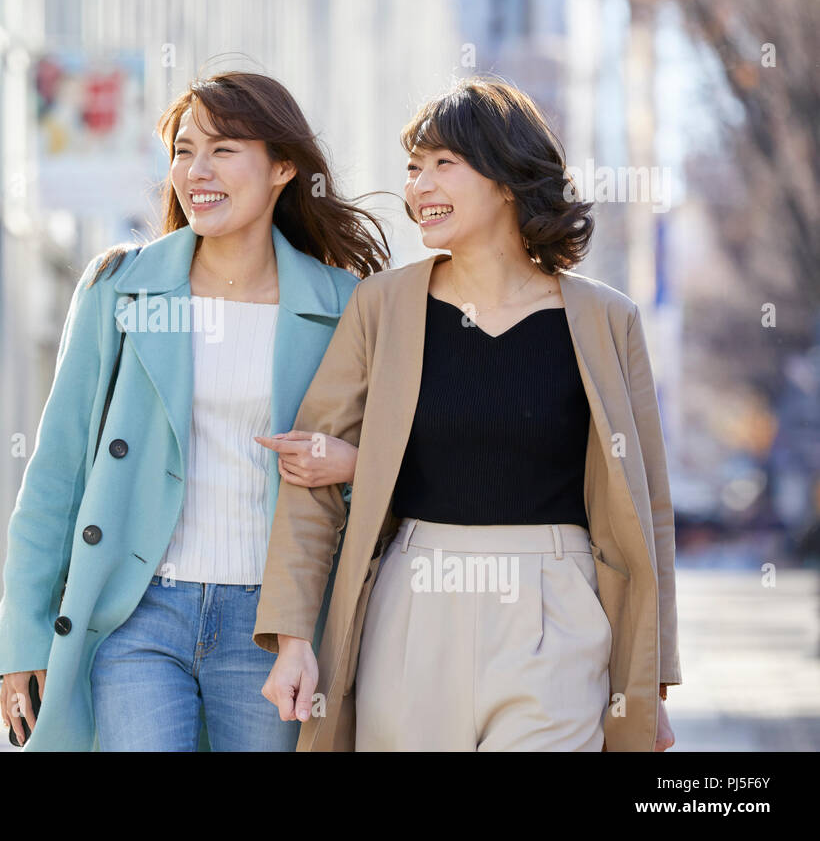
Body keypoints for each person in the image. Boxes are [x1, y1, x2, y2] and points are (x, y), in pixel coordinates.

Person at [255, 76, 681, 751]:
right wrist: (293, 637)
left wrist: (651, 681)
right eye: (413, 169)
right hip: (413, 604)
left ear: (509, 180)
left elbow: (647, 504)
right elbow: (309, 481)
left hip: (557, 611)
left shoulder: (606, 321)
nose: (418, 188)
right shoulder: (383, 309)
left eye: (442, 165)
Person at [0, 71, 389, 750]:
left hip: (272, 622)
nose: (195, 171)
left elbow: (381, 471)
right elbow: (56, 472)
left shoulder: (343, 304)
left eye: (224, 149)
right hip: (137, 615)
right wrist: (23, 635)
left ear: (283, 167)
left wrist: (348, 467)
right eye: (182, 150)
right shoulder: (120, 287)